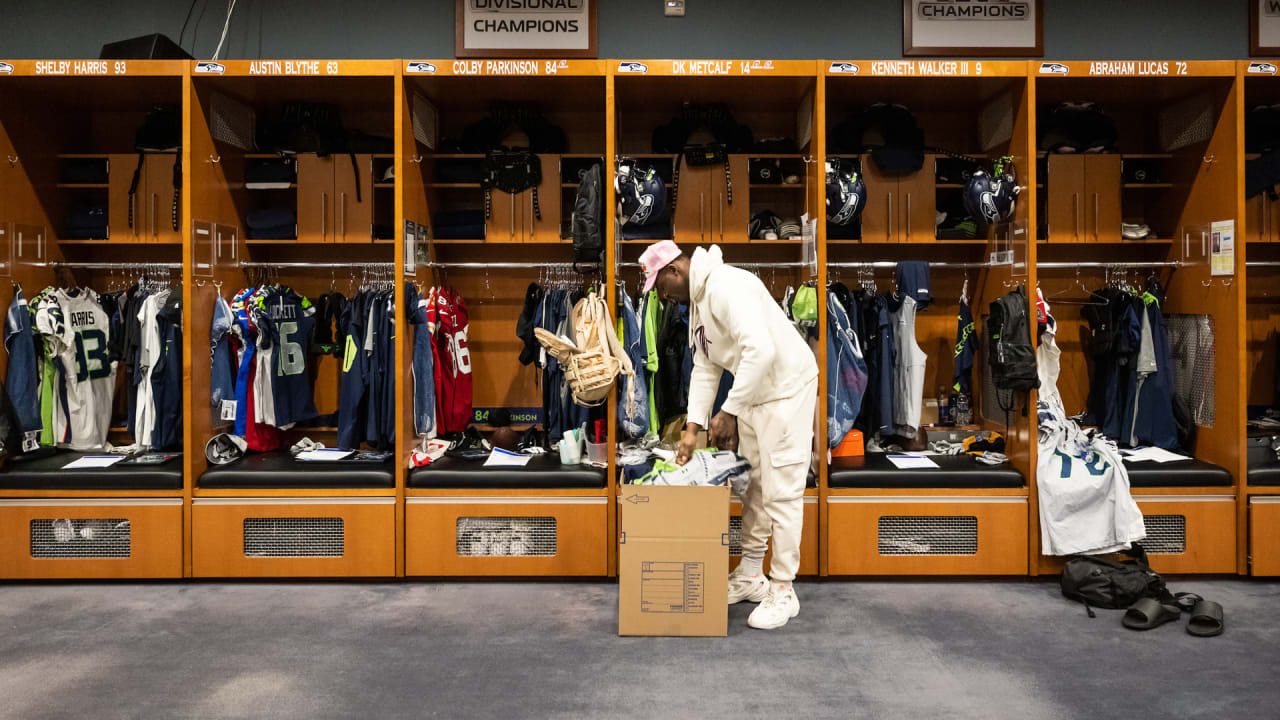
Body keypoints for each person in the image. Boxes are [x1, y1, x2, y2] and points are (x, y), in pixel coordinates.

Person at [638, 240, 818, 630]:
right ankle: (752, 574)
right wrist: (692, 429)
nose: (662, 297)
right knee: (753, 486)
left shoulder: (725, 286)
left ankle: (784, 590)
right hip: (753, 393)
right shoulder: (697, 302)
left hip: (786, 390)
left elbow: (761, 351)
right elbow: (706, 367)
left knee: (781, 492)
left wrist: (728, 412)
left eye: (660, 286)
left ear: (674, 270)